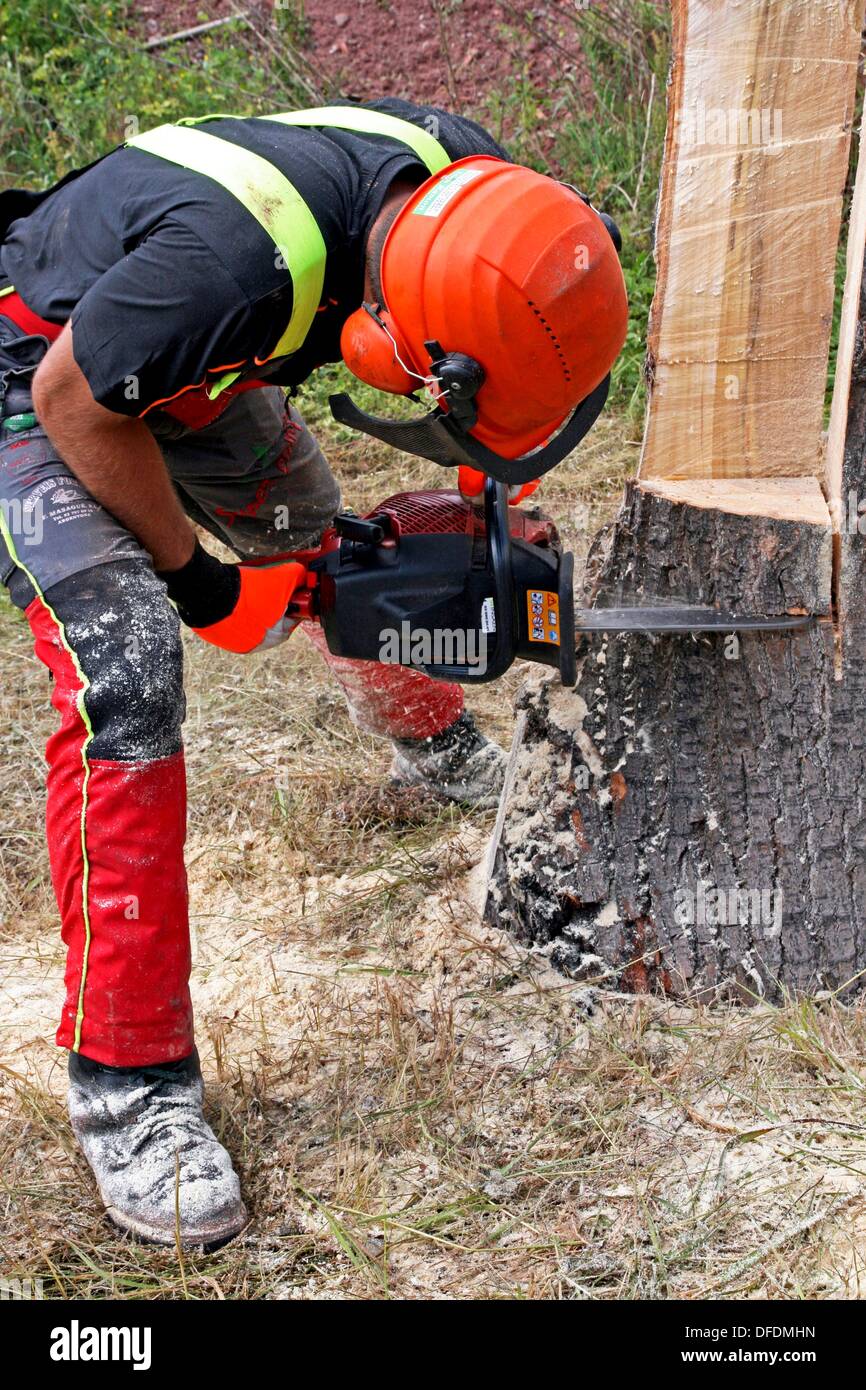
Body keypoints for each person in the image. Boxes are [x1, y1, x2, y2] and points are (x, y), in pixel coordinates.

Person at [0, 99, 627, 1246]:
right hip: (45, 377)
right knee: (127, 677)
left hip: (185, 359)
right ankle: (128, 1086)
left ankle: (427, 738)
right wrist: (199, 586)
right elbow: (75, 403)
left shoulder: (475, 191)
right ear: (391, 334)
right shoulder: (230, 266)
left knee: (314, 527)